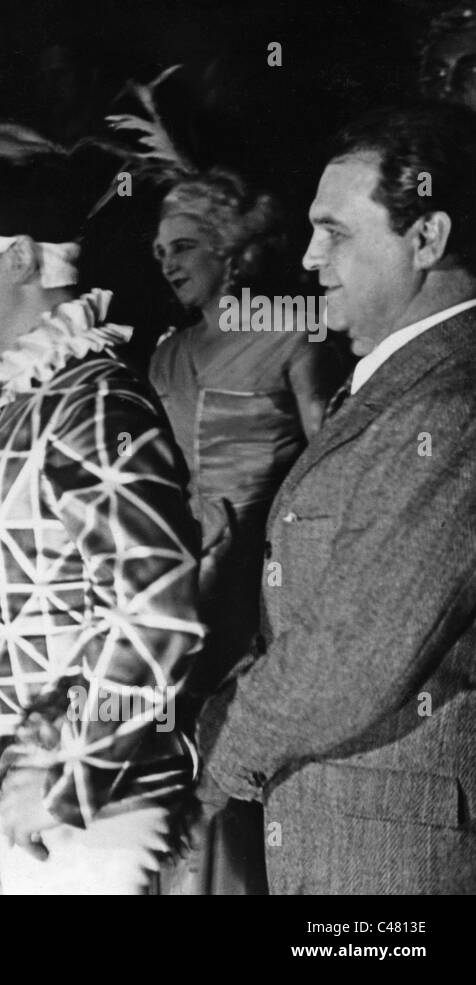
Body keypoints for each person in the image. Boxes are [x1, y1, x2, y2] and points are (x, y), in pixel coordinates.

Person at [0, 123, 204, 894]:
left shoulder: (94, 402)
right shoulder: (13, 403)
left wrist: (69, 777)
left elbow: (158, 610)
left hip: (91, 828)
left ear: (18, 257)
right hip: (25, 821)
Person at [197, 102, 476, 894]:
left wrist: (205, 754)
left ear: (427, 238)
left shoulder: (447, 406)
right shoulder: (399, 384)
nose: (311, 257)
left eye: (336, 232)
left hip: (393, 868)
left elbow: (353, 655)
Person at [148, 171, 344, 893]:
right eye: (160, 251)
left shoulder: (290, 330)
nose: (168, 263)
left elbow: (331, 457)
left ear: (230, 249)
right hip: (178, 571)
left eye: (184, 246)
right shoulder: (167, 351)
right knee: (174, 750)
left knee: (238, 745)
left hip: (265, 570)